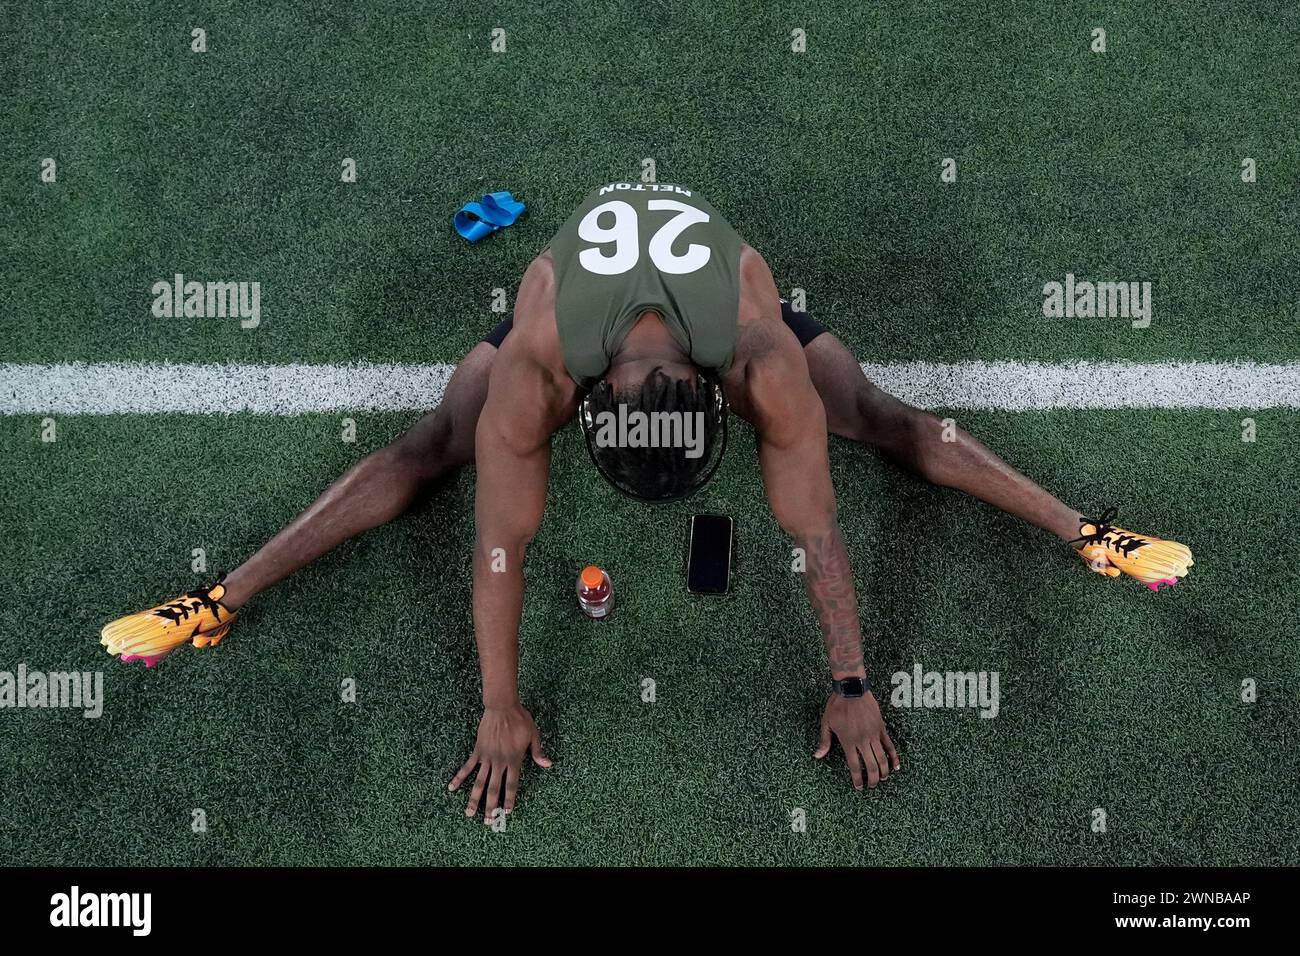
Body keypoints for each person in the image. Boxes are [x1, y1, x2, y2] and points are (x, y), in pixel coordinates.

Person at [101, 182, 1193, 820]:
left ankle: (1085, 531)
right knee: (436, 444)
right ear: (583, 411)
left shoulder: (763, 362)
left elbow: (815, 531)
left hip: (712, 284)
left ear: (721, 404)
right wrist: (497, 702)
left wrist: (853, 678)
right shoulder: (536, 372)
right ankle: (218, 596)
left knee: (878, 415)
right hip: (579, 290)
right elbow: (499, 553)